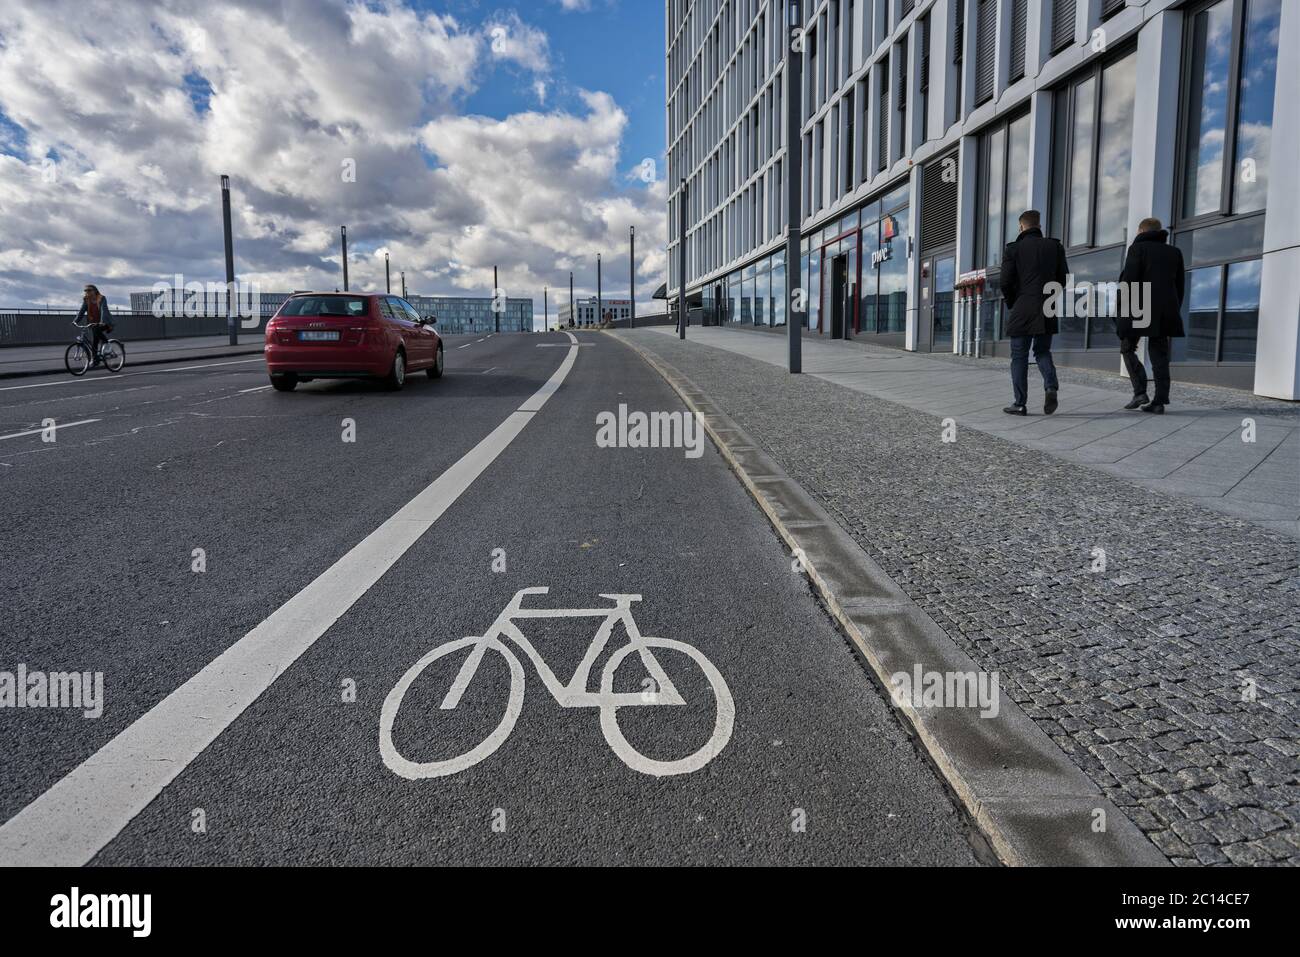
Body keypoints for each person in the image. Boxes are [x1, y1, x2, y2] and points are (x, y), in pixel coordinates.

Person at [999, 210, 1066, 416]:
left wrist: (1014, 303)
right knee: (1042, 351)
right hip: (1047, 306)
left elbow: (1005, 282)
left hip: (1022, 305)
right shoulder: (1054, 246)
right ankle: (1051, 386)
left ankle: (1020, 403)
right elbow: (1063, 279)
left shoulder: (1013, 249)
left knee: (1019, 356)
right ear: (1039, 225)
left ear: (1021, 227)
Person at [1116, 217, 1185, 414]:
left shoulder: (1138, 249)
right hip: (1165, 310)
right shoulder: (1175, 252)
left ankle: (1140, 392)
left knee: (1127, 348)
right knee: (1159, 356)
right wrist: (1174, 308)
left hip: (1139, 307)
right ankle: (1159, 401)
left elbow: (1129, 281)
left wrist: (1121, 308)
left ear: (1140, 231)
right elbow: (1179, 286)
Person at [75, 284, 114, 366]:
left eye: (89, 290)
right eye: (85, 291)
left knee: (96, 331)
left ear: (95, 291)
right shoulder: (86, 300)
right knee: (94, 341)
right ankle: (95, 359)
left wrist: (102, 321)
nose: (87, 292)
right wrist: (75, 321)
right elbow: (81, 311)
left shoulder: (101, 298)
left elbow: (104, 310)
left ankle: (107, 345)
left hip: (105, 322)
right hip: (93, 323)